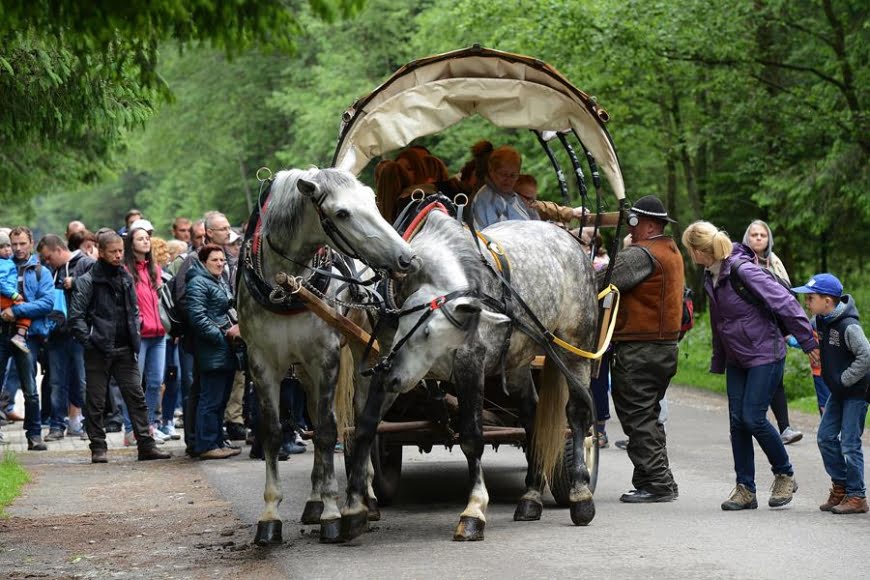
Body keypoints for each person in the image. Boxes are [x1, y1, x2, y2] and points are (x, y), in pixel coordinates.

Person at [681, 221, 817, 511]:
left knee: (753, 418)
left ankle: (785, 474)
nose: (689, 255)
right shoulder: (711, 275)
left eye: (689, 249)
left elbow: (785, 302)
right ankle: (745, 489)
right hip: (737, 357)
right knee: (737, 423)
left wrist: (809, 343)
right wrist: (719, 359)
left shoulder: (742, 270)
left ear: (699, 250)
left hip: (765, 352)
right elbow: (720, 323)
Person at [602, 196, 683, 503]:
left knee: (637, 416)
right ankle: (655, 479)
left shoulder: (641, 254)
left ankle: (658, 483)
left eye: (633, 223)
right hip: (662, 347)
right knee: (648, 414)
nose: (630, 229)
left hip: (640, 348)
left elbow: (603, 281)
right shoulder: (670, 249)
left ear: (648, 225)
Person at [68, 232, 171, 463]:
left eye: (120, 251)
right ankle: (98, 447)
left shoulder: (125, 277)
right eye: (112, 252)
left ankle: (146, 444)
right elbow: (76, 317)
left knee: (137, 398)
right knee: (95, 402)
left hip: (125, 347)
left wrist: (135, 333)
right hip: (98, 349)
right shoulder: (88, 280)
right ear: (101, 252)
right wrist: (90, 341)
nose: (117, 255)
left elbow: (133, 310)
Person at [791, 274, 870, 514]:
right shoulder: (821, 320)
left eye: (811, 298)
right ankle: (841, 486)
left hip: (856, 391)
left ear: (827, 301)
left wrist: (844, 379)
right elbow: (802, 333)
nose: (807, 302)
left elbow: (866, 355)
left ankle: (857, 496)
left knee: (849, 443)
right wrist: (789, 338)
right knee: (825, 437)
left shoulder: (849, 326)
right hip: (838, 390)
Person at [743, 219, 802, 444]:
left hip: (773, 331)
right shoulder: (738, 263)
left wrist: (790, 331)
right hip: (746, 333)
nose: (758, 238)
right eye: (754, 234)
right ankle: (743, 426)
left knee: (776, 380)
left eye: (763, 235)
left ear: (769, 239)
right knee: (746, 379)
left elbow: (786, 300)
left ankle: (785, 427)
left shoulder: (775, 264)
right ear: (747, 238)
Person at [36, 234, 95, 440]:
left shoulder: (85, 263)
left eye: (49, 257)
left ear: (59, 250)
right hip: (57, 335)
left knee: (83, 381)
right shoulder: (50, 271)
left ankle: (90, 426)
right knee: (56, 382)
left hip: (79, 334)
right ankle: (56, 426)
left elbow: (99, 287)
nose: (47, 261)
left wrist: (76, 282)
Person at [186, 244, 241, 460]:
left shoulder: (217, 281)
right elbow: (197, 317)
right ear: (203, 262)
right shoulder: (198, 282)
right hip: (213, 349)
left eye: (222, 260)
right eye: (214, 260)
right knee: (210, 399)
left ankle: (217, 442)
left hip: (225, 349)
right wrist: (223, 336)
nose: (219, 264)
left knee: (220, 399)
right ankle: (207, 444)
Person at [1, 227, 54, 442]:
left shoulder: (41, 271)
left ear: (31, 243)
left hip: (28, 336)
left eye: (22, 243)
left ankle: (34, 435)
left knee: (30, 389)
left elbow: (47, 303)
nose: (18, 248)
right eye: (13, 244)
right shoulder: (3, 265)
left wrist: (17, 311)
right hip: (2, 332)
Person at [121, 224, 168, 445]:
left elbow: (160, 299)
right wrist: (137, 321)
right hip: (139, 335)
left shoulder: (154, 269)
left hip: (159, 334)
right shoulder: (125, 271)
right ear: (131, 244)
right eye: (140, 238)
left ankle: (148, 426)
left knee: (156, 382)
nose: (146, 241)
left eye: (147, 238)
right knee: (134, 384)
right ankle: (131, 429)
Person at [471, 145, 530, 229]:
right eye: (503, 174)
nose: (508, 179)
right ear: (491, 171)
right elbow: (488, 235)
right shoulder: (486, 200)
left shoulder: (514, 196)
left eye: (513, 175)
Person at [0, 231, 31, 352]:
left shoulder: (8, 261)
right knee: (25, 309)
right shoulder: (3, 263)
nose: (7, 249)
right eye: (1, 247)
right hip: (5, 296)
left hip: (6, 295)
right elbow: (1, 282)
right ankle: (20, 336)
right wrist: (13, 294)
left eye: (8, 245)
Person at [514, 174, 586, 224]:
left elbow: (547, 208)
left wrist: (572, 212)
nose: (531, 203)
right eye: (528, 199)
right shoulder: (509, 208)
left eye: (533, 200)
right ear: (514, 194)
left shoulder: (531, 206)